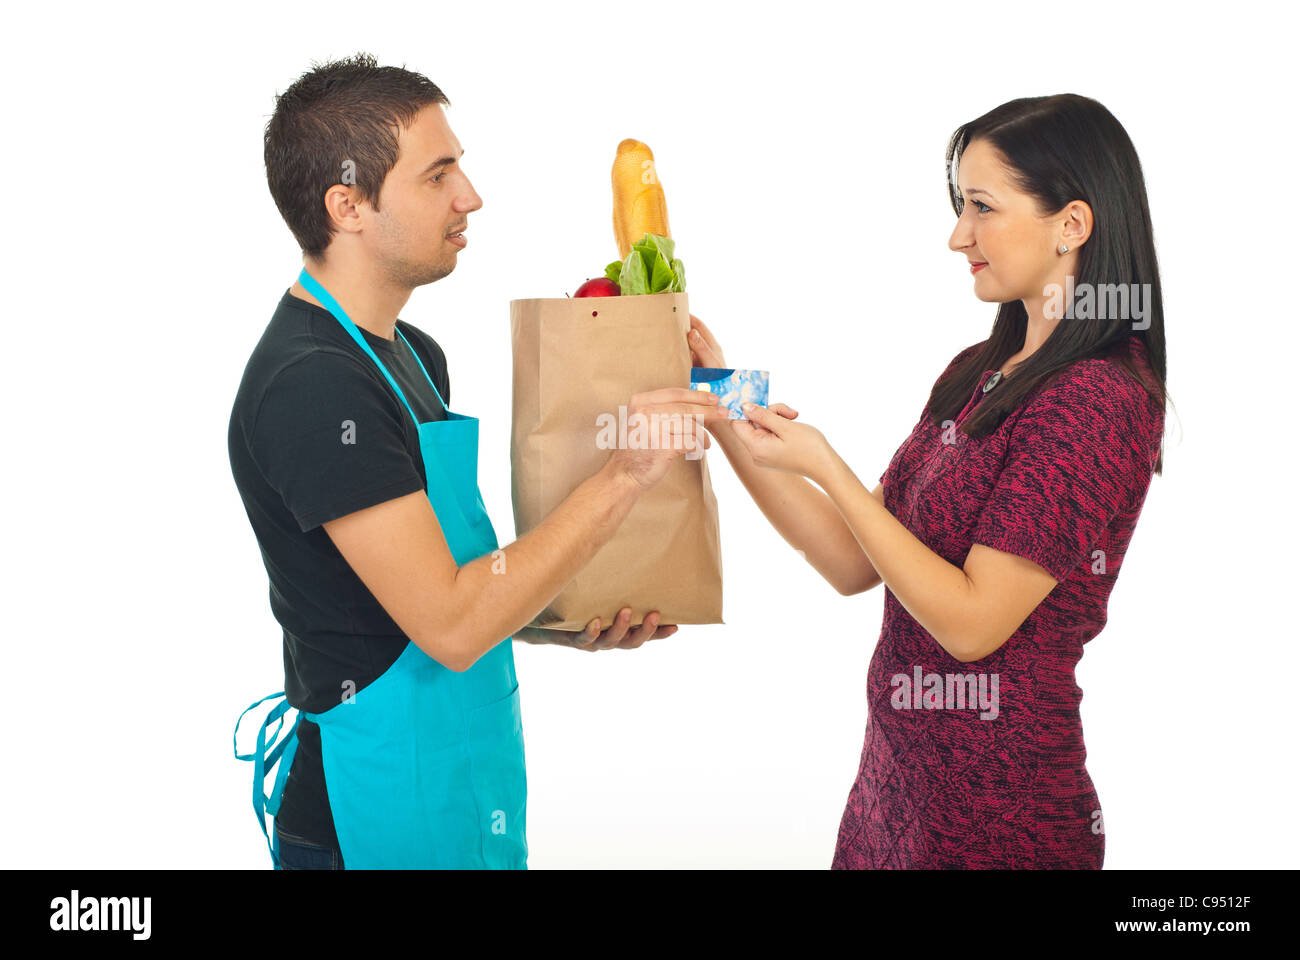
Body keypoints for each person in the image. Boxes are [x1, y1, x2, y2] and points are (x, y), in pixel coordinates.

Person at [228, 53, 727, 870]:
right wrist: (625, 474)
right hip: (375, 803)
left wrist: (556, 625)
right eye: (438, 175)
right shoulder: (314, 386)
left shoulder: (412, 354)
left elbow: (434, 588)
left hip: (467, 767)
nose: (471, 196)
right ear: (347, 205)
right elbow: (454, 623)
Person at [687, 94, 1169, 868]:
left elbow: (973, 623)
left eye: (982, 207)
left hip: (1001, 819)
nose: (957, 236)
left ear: (1071, 224)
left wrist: (826, 465)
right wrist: (724, 405)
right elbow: (852, 561)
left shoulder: (1097, 398)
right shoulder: (977, 373)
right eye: (958, 205)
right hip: (895, 799)